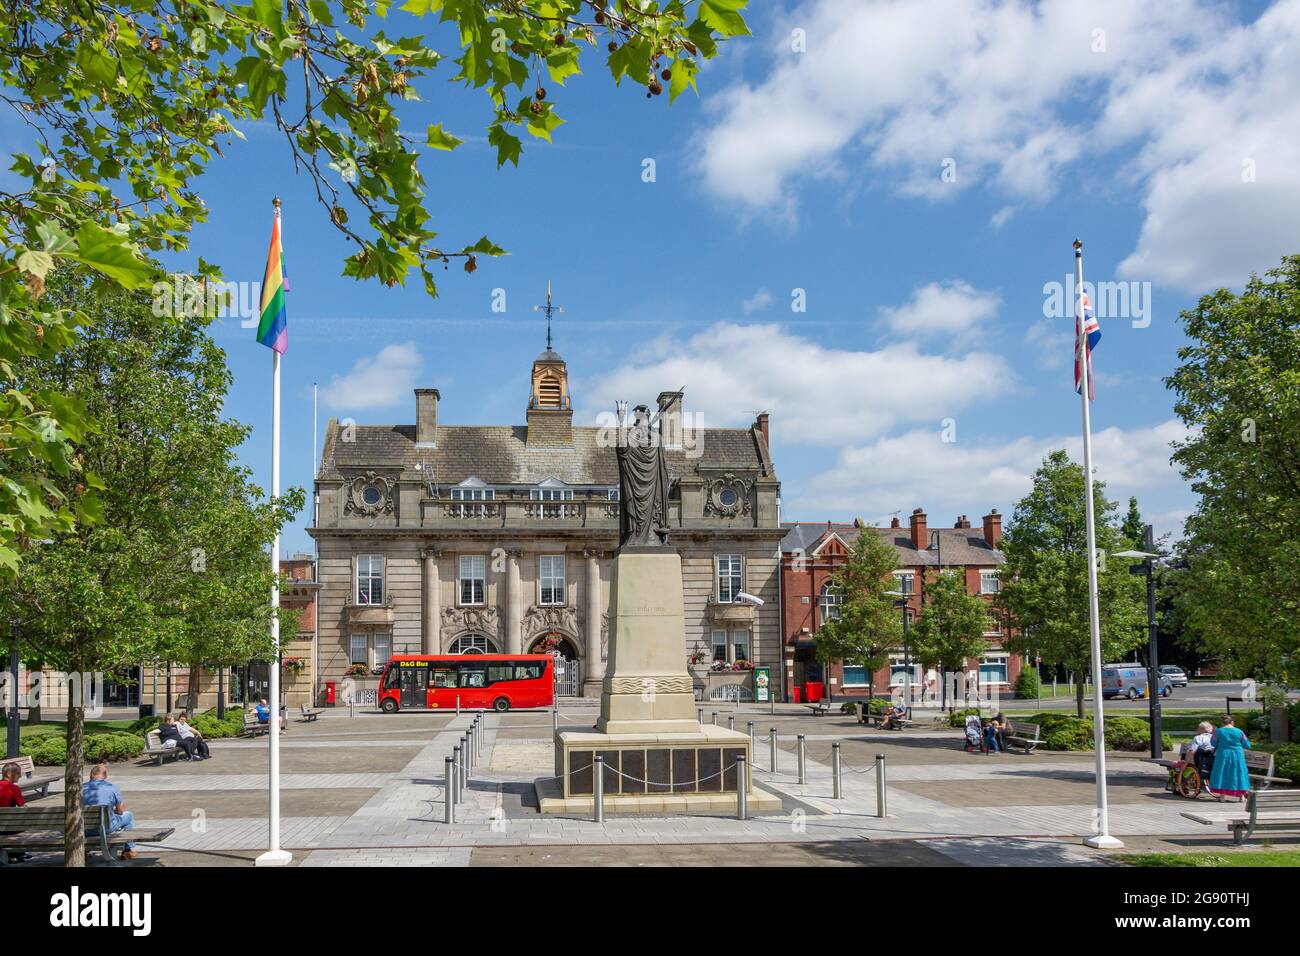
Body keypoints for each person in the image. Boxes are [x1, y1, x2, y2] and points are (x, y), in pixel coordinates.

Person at [82, 763, 136, 861]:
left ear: (91, 775)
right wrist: (113, 811)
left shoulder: (80, 788)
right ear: (105, 776)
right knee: (129, 815)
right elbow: (120, 810)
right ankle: (127, 850)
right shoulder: (112, 787)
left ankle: (84, 851)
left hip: (84, 829)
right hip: (106, 827)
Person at [1208, 715, 1252, 802]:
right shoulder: (1239, 731)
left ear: (1223, 722)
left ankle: (1222, 796)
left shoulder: (1218, 731)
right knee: (1239, 773)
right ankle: (1241, 796)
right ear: (1232, 722)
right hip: (1237, 754)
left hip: (1223, 754)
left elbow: (1213, 743)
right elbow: (1247, 744)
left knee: (1222, 772)